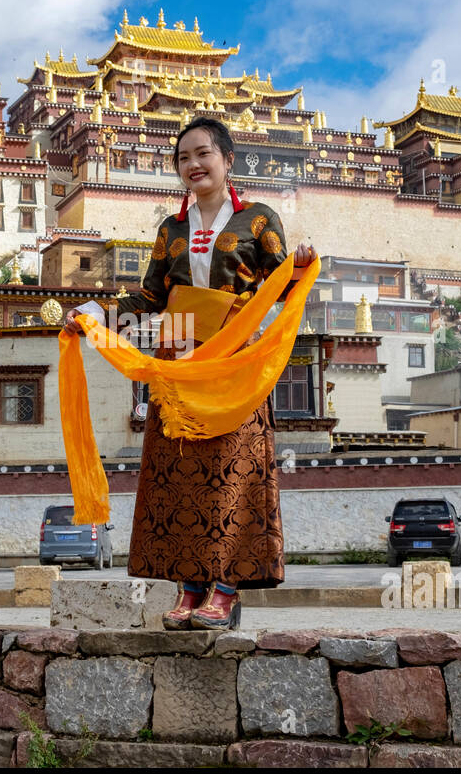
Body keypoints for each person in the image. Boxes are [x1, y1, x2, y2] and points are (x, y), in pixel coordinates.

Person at [66, 116, 316, 630]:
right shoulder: (171, 229)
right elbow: (150, 298)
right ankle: (189, 587)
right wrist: (94, 313)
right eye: (183, 157)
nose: (193, 165)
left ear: (227, 160)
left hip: (233, 365)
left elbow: (283, 291)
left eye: (203, 153)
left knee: (231, 474)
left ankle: (224, 591)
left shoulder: (260, 221)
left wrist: (299, 267)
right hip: (179, 359)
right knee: (179, 476)